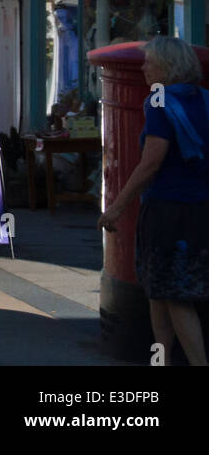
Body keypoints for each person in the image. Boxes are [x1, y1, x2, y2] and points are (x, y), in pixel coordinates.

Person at [99, 36, 209, 366]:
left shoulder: (160, 102)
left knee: (174, 296)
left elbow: (151, 161)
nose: (144, 67)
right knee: (158, 293)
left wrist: (117, 206)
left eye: (149, 62)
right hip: (199, 209)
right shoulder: (204, 99)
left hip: (167, 210)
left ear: (166, 65)